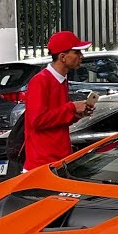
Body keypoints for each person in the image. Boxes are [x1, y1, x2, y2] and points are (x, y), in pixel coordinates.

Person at [23, 30, 96, 170]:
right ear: (63, 57)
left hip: (58, 160)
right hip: (41, 165)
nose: (82, 56)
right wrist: (72, 108)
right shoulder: (40, 81)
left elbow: (56, 118)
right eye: (77, 52)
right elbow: (37, 120)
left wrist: (78, 114)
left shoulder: (61, 79)